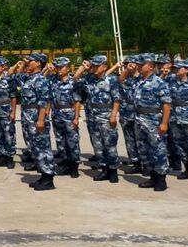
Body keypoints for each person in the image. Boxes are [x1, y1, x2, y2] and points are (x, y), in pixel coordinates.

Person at [78, 55, 121, 183]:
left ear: (104, 67)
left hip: (106, 116)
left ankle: (113, 171)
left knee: (110, 144)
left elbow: (117, 99)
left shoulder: (112, 80)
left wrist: (113, 115)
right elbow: (75, 78)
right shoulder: (89, 79)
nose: (95, 68)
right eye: (93, 66)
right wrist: (83, 68)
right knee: (97, 145)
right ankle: (104, 169)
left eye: (97, 66)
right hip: (92, 117)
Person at [132, 53, 172, 191]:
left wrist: (164, 123)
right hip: (139, 120)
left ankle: (161, 180)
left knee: (158, 150)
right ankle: (152, 177)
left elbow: (167, 104)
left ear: (150, 66)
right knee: (145, 150)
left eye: (141, 64)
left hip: (154, 120)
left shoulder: (159, 82)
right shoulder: (138, 81)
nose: (138, 66)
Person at [21, 53, 55, 191]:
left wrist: (41, 120)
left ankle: (48, 178)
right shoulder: (30, 78)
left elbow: (43, 103)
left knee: (43, 148)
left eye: (31, 61)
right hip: (29, 117)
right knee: (35, 148)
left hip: (36, 118)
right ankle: (43, 175)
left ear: (39, 63)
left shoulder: (40, 80)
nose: (28, 62)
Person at [48, 57, 81, 178]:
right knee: (60, 141)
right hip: (56, 113)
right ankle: (65, 164)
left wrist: (77, 117)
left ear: (67, 68)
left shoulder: (73, 82)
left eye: (61, 67)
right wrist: (49, 69)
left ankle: (74, 166)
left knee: (72, 141)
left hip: (69, 114)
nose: (58, 69)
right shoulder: (53, 80)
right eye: (57, 67)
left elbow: (77, 101)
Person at [157, 55, 182, 173]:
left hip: (174, 113)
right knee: (164, 138)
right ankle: (167, 161)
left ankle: (176, 162)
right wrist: (163, 75)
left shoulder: (174, 77)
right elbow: (156, 85)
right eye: (159, 64)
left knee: (174, 138)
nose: (161, 66)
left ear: (169, 64)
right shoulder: (159, 77)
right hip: (162, 112)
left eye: (163, 64)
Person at [118, 55, 142, 174]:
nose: (128, 65)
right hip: (126, 113)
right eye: (126, 64)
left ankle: (146, 164)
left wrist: (136, 70)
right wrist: (127, 70)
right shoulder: (126, 78)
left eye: (130, 63)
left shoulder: (143, 77)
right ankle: (136, 163)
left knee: (142, 139)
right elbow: (120, 80)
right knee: (130, 140)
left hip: (140, 114)